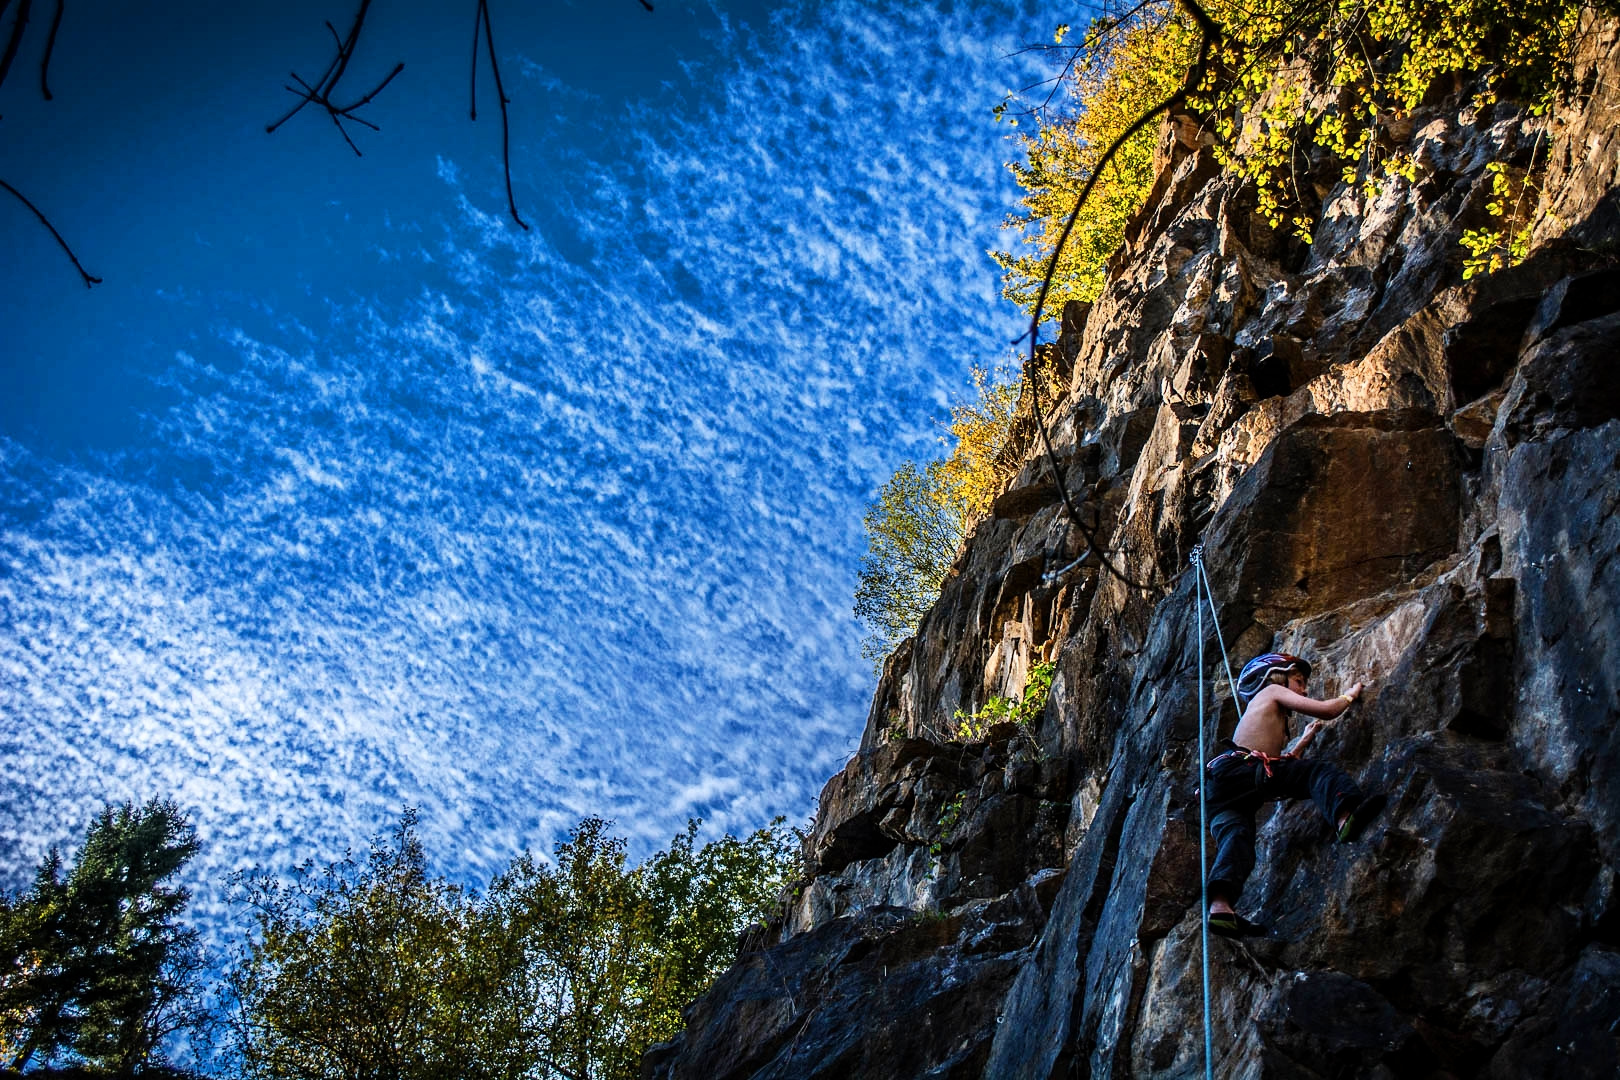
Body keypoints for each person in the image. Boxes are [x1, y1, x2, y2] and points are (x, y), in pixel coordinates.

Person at [1203, 652, 1386, 937]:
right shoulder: (1272, 691)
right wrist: (1349, 696)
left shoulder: (1262, 714)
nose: (1304, 688)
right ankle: (1345, 817)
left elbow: (1275, 763)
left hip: (1220, 786)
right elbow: (1326, 710)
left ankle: (1220, 908)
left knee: (1237, 839)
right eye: (1299, 681)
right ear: (1274, 676)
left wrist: (1302, 742)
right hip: (1243, 770)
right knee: (1317, 773)